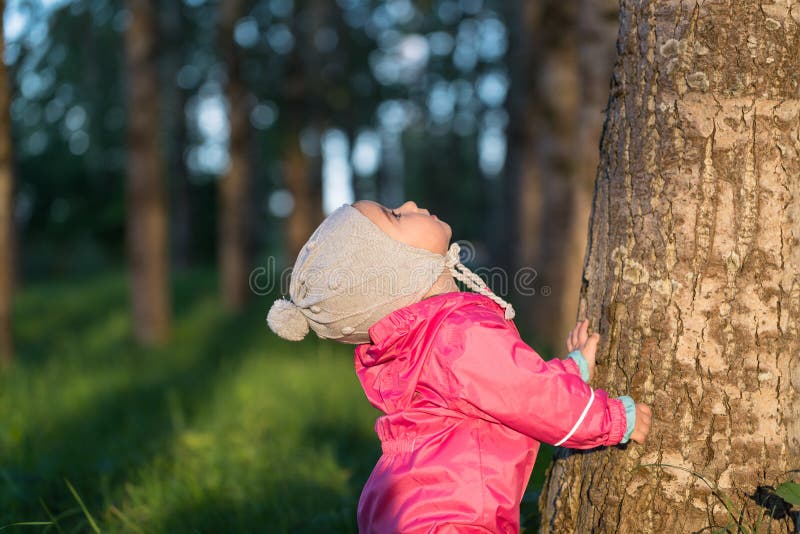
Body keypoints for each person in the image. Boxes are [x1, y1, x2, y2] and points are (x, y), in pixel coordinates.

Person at [267, 200, 652, 533]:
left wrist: (571, 370)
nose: (413, 205)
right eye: (397, 216)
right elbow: (526, 393)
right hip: (451, 515)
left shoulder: (416, 342)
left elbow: (505, 389)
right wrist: (613, 418)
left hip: (405, 504)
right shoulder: (456, 333)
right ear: (394, 272)